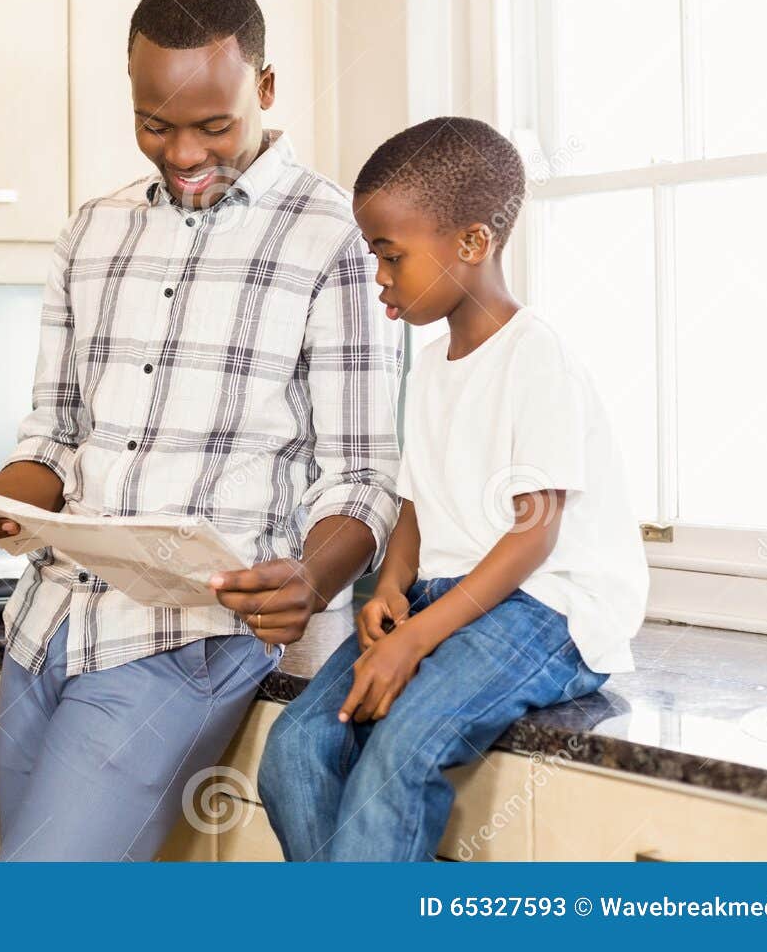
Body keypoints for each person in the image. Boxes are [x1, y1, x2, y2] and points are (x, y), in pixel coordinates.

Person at [0, 0, 401, 861]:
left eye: (213, 126)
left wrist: (314, 573)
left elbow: (364, 474)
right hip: (44, 627)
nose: (184, 152)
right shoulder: (92, 232)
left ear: (264, 89)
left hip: (184, 639)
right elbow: (56, 444)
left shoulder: (333, 236)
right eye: (156, 123)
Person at [256, 116, 649, 861]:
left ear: (473, 242)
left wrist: (413, 641)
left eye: (391, 255)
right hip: (449, 599)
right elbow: (416, 501)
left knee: (398, 756)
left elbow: (535, 533)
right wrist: (390, 590)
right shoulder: (431, 364)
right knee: (296, 748)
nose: (380, 278)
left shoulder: (538, 359)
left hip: (551, 611)